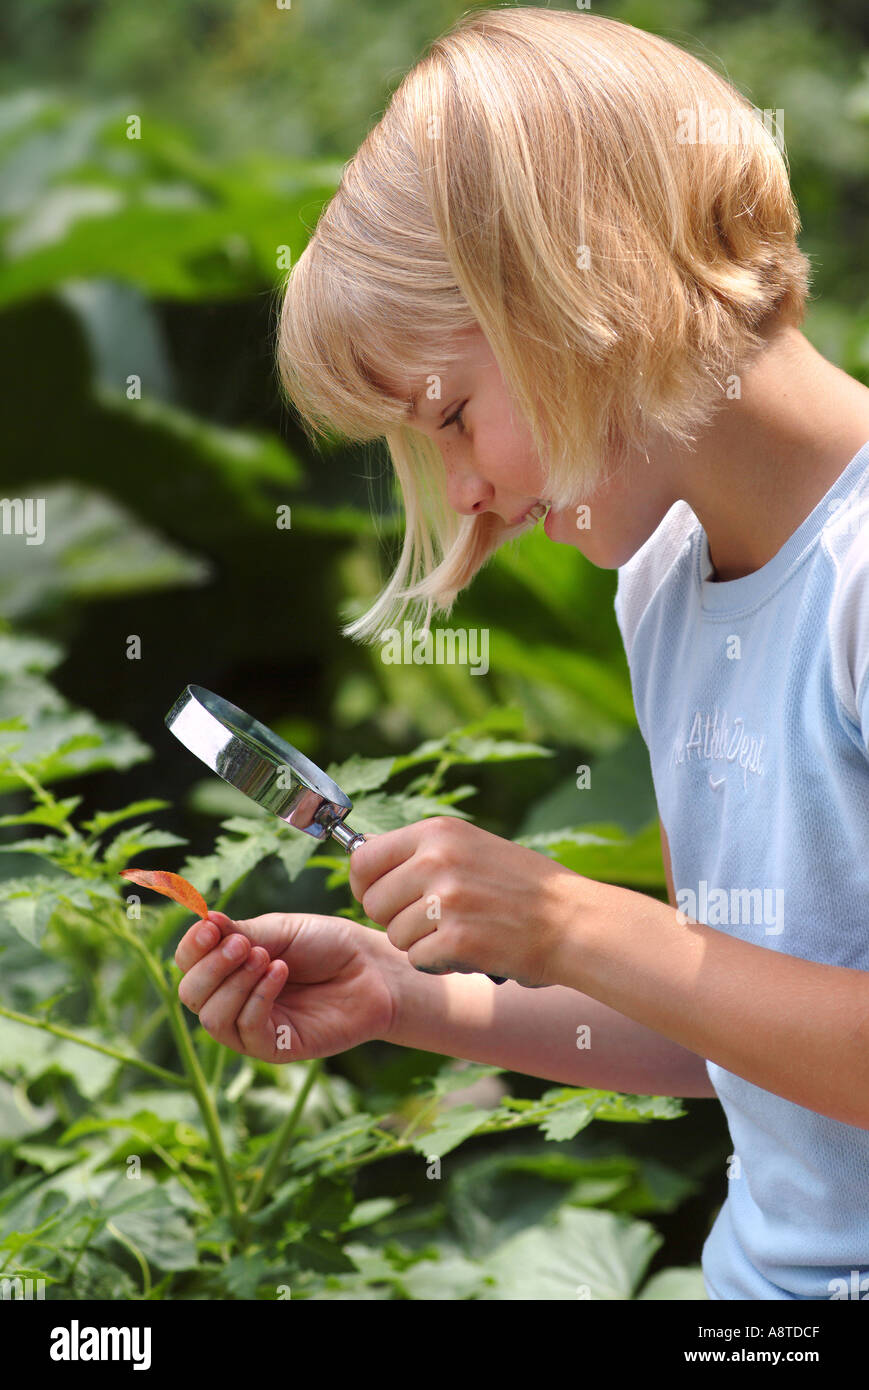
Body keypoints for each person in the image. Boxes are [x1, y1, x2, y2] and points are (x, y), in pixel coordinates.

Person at [174, 9, 869, 1300]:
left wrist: (562, 915)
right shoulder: (669, 585)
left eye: (448, 415)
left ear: (581, 289)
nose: (467, 492)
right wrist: (418, 1001)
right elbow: (738, 1023)